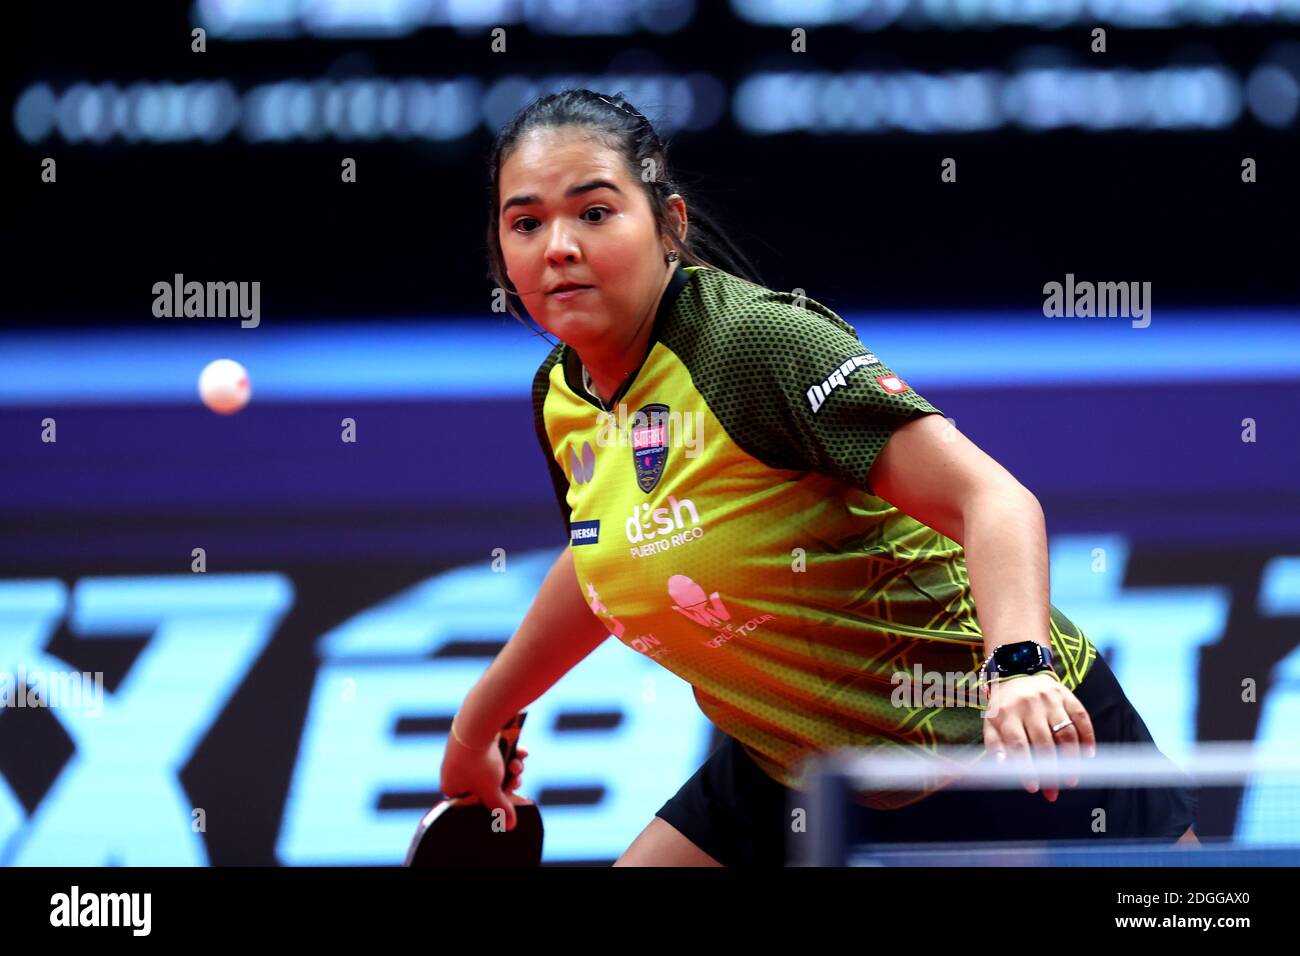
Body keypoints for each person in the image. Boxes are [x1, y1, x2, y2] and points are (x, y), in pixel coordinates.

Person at [438, 88, 1198, 866]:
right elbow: (613, 553)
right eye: (526, 223)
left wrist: (1020, 668)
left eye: (595, 213)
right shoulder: (563, 396)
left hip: (1002, 741)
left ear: (670, 226)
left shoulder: (754, 347)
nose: (558, 246)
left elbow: (992, 498)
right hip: (796, 764)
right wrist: (479, 722)